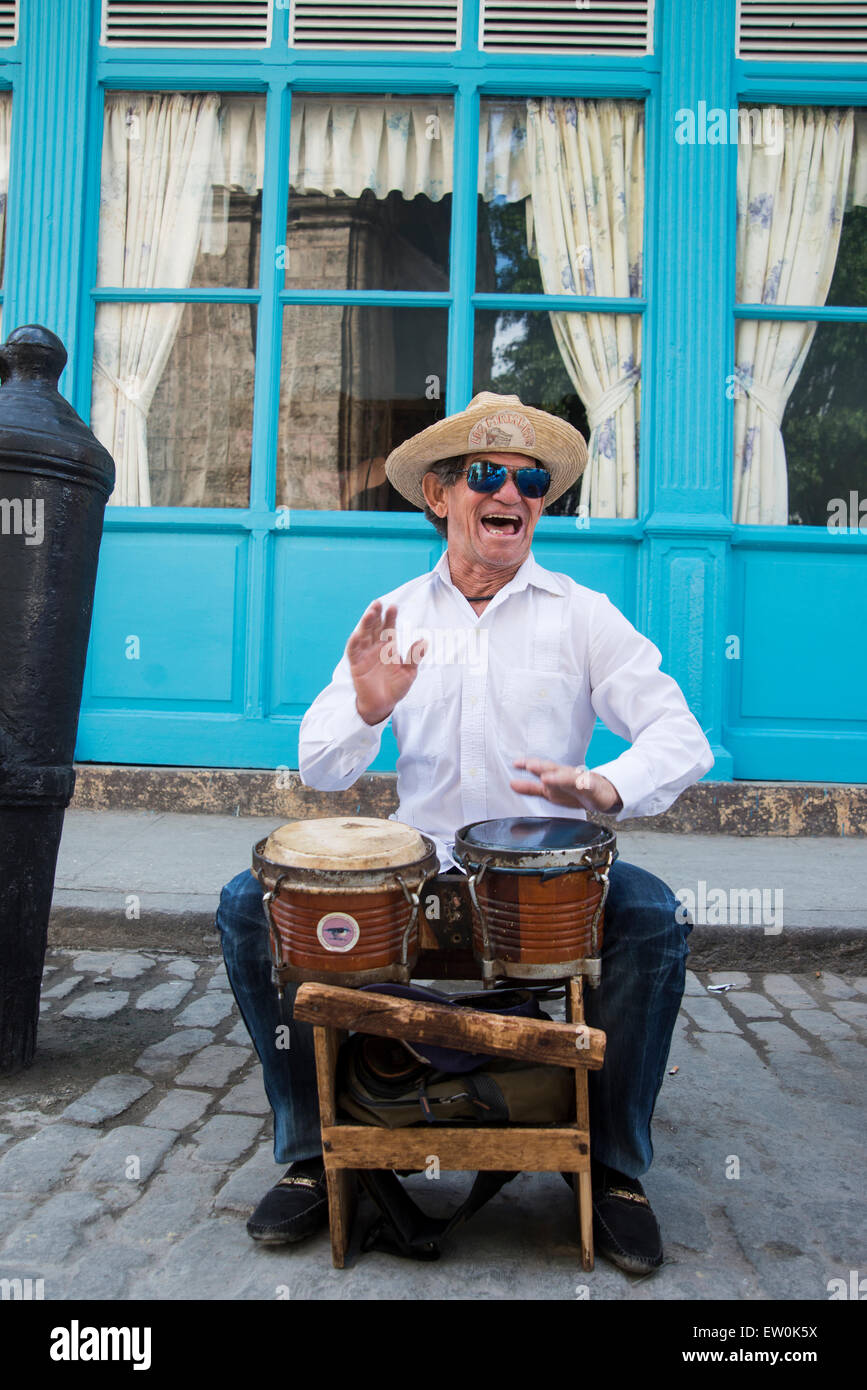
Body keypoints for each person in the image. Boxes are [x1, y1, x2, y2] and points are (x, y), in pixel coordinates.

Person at [216, 392, 714, 1275]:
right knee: (247, 910)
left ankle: (612, 1169)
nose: (513, 493)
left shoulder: (581, 613)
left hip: (546, 878)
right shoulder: (395, 613)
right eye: (489, 475)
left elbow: (682, 738)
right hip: (421, 884)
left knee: (651, 918)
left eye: (531, 481)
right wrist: (368, 707)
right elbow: (319, 765)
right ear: (440, 496)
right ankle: (307, 1153)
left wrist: (603, 783)